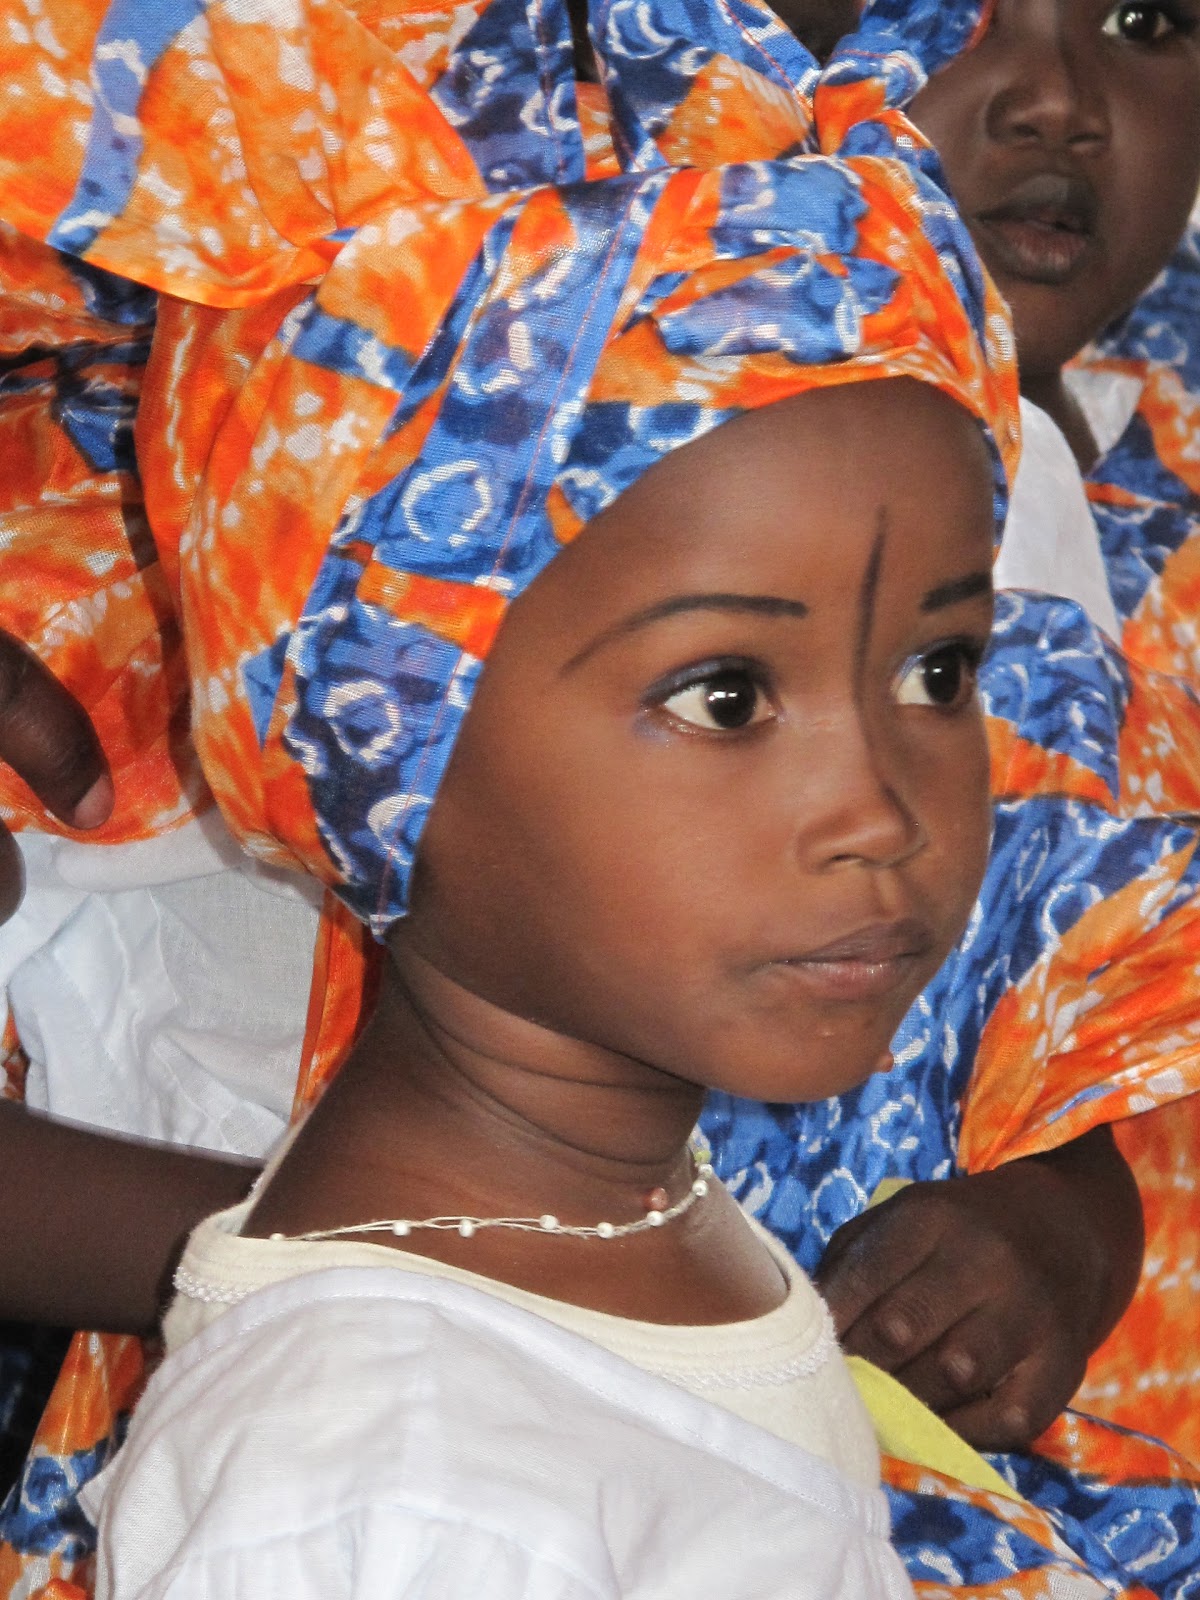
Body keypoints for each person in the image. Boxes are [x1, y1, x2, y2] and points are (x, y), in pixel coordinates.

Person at [726, 0, 1200, 1468]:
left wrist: (1084, 1215)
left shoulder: (1156, 485)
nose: (1055, 99)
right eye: (940, 9)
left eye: (1143, 19)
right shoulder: (561, 501)